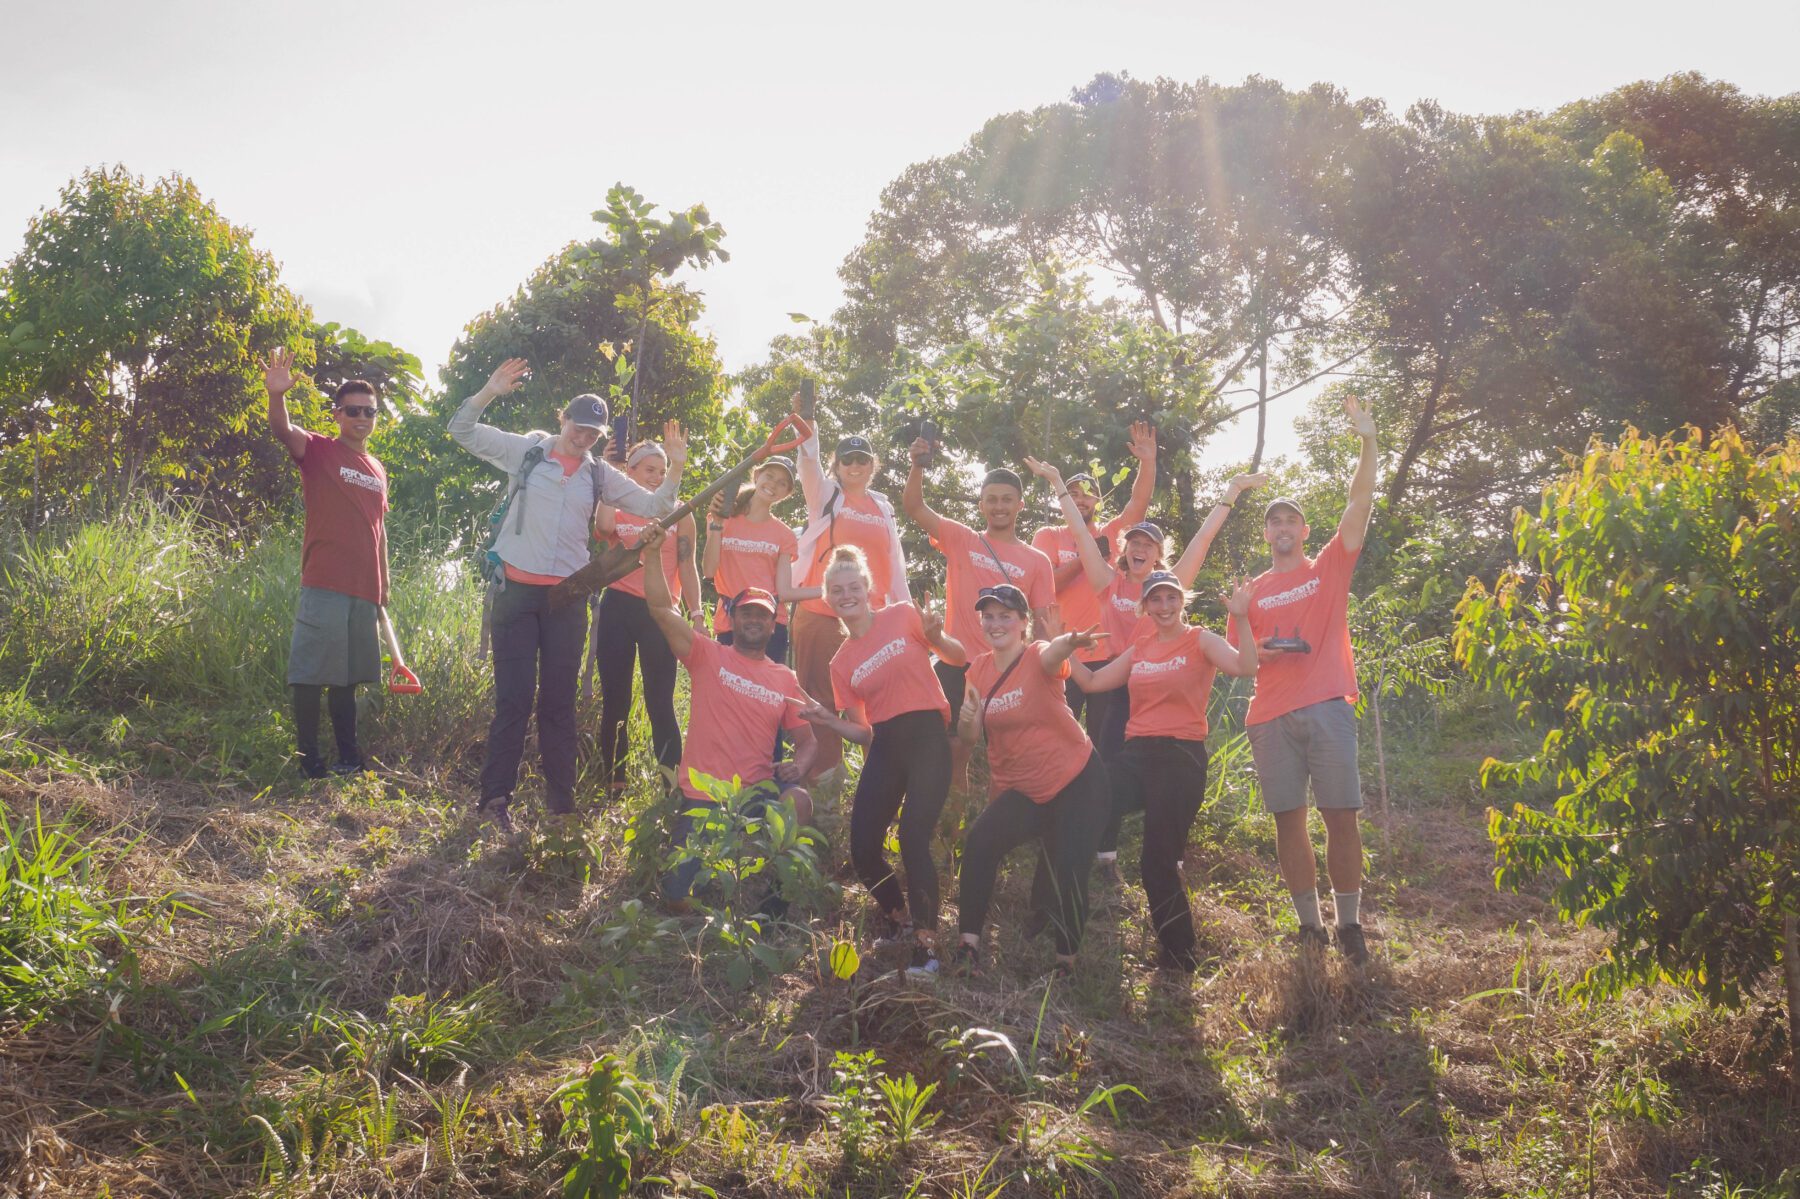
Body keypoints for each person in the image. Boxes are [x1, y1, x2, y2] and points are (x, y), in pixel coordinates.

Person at [447, 357, 685, 831]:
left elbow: (657, 504)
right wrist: (490, 390)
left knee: (558, 703)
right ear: (563, 419)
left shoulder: (599, 475)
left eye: (593, 432)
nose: (584, 437)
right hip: (515, 595)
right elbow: (462, 430)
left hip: (567, 600)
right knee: (514, 699)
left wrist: (675, 466)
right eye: (579, 427)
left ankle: (560, 807)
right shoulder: (527, 451)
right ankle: (495, 801)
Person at [1026, 458, 1267, 874]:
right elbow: (1082, 534)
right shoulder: (1109, 583)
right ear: (1124, 549)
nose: (1140, 549)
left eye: (1148, 545)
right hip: (1118, 678)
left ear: (1158, 555)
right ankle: (1104, 855)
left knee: (1164, 769)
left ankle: (1169, 854)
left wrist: (1232, 491)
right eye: (1134, 543)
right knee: (1106, 763)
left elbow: (1203, 539)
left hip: (1162, 681)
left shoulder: (1168, 588)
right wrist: (1058, 484)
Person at [1226, 395, 1379, 964]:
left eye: (1291, 519)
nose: (1283, 526)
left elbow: (1359, 503)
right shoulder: (1252, 592)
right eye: (1275, 521)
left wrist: (1368, 441)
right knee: (1288, 821)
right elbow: (1242, 661)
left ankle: (1350, 924)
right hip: (1270, 715)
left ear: (1305, 530)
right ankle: (1309, 927)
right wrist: (1253, 637)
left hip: (1327, 705)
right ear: (1266, 534)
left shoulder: (1329, 567)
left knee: (1341, 816)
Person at [1069, 571, 1259, 972]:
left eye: (1171, 597)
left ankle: (1178, 957)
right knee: (1086, 799)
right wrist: (1063, 645)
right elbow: (1091, 681)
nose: (1164, 606)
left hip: (1180, 756)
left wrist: (1241, 617)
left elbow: (1245, 666)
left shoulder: (1200, 640)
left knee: (1156, 862)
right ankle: (1064, 919)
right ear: (1145, 607)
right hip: (1136, 755)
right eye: (1155, 599)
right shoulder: (1140, 647)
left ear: (1182, 600)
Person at [797, 547, 964, 976]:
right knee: (863, 848)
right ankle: (899, 919)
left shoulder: (903, 616)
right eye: (837, 590)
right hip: (887, 745)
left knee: (912, 838)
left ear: (867, 588)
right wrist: (828, 721)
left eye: (854, 586)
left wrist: (938, 636)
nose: (846, 595)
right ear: (828, 599)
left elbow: (957, 657)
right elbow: (864, 732)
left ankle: (927, 948)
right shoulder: (841, 663)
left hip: (928, 737)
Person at [632, 525, 816, 906]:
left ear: (773, 625)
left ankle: (774, 904)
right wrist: (652, 556)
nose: (754, 620)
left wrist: (798, 766)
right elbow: (661, 610)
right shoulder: (707, 655)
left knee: (798, 800)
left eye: (762, 615)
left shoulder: (785, 678)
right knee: (678, 898)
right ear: (731, 619)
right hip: (705, 797)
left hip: (756, 795)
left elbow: (808, 742)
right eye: (746, 613)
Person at [950, 584, 1111, 975]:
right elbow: (970, 735)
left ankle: (1065, 965)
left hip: (1077, 780)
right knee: (980, 843)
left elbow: (1054, 654)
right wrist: (967, 720)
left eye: (1005, 616)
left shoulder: (1037, 654)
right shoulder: (979, 670)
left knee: (1070, 871)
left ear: (1023, 622)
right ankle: (968, 948)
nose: (996, 624)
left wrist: (1068, 642)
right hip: (1024, 789)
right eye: (989, 616)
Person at [263, 348, 389, 779]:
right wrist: (276, 395)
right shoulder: (318, 450)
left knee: (347, 678)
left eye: (369, 411)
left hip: (364, 589)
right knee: (309, 672)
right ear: (337, 415)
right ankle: (308, 760)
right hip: (325, 582)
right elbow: (282, 429)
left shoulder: (377, 468)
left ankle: (349, 758)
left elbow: (379, 529)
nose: (362, 417)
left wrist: (383, 586)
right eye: (353, 410)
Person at [902, 443, 1055, 791]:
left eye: (1007, 499)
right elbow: (914, 507)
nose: (999, 506)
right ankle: (950, 821)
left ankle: (1004, 821)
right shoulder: (962, 539)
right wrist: (918, 465)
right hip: (958, 664)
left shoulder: (1037, 561)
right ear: (981, 504)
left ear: (1020, 504)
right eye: (992, 499)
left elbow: (1043, 623)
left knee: (1011, 754)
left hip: (1008, 670)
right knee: (953, 750)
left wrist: (1041, 671)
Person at [792, 412, 912, 785]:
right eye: (847, 460)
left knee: (875, 700)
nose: (855, 466)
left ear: (873, 465)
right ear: (837, 465)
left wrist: (906, 613)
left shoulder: (883, 507)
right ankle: (825, 781)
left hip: (872, 620)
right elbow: (808, 466)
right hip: (822, 613)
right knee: (823, 698)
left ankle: (882, 778)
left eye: (862, 459)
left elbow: (894, 564)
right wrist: (806, 426)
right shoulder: (827, 496)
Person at [1030, 422, 1158, 741]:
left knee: (1107, 741)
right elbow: (1045, 585)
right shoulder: (1048, 535)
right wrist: (1087, 559)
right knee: (1057, 739)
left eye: (1087, 494)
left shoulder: (1112, 534)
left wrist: (1147, 462)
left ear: (1098, 500)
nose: (1081, 500)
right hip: (1063, 651)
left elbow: (1138, 503)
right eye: (1073, 494)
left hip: (1108, 655)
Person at [592, 440, 703, 797]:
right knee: (616, 699)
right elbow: (603, 526)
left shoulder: (680, 513)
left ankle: (672, 786)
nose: (656, 477)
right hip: (618, 607)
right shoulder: (619, 506)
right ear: (631, 471)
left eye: (662, 470)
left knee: (660, 701)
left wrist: (697, 613)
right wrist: (610, 475)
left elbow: (687, 566)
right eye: (649, 470)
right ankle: (614, 782)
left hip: (660, 612)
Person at [701, 455, 808, 661]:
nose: (773, 485)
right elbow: (709, 570)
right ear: (757, 475)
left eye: (782, 483)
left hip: (770, 626)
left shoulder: (784, 535)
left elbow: (784, 592)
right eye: (769, 476)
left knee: (768, 683)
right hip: (731, 622)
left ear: (787, 493)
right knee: (730, 681)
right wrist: (716, 524)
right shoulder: (722, 518)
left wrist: (827, 590)